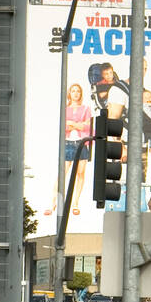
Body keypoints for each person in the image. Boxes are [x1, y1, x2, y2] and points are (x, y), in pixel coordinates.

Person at [47, 83, 92, 216]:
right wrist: (77, 125)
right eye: (73, 91)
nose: (76, 93)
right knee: (62, 173)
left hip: (82, 143)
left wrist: (73, 124)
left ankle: (75, 203)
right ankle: (53, 202)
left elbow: (87, 126)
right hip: (68, 143)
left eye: (78, 91)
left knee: (80, 174)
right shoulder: (65, 109)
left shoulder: (86, 109)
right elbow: (64, 126)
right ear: (69, 94)